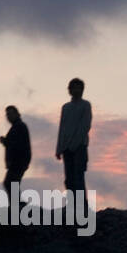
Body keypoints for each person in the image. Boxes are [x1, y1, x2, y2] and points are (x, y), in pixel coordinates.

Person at [55, 78, 92, 220]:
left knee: (78, 176)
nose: (76, 90)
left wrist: (75, 143)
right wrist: (59, 148)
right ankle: (72, 204)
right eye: (74, 88)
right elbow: (62, 128)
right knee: (69, 179)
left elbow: (85, 126)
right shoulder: (65, 107)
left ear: (82, 90)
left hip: (80, 147)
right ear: (69, 90)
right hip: (66, 149)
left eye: (79, 88)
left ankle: (82, 206)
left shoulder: (86, 105)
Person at [0, 105, 31, 209]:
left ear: (17, 114)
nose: (8, 116)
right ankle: (18, 205)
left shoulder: (19, 127)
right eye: (7, 114)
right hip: (18, 161)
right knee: (11, 183)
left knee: (10, 183)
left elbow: (17, 144)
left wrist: (5, 141)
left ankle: (18, 206)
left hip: (19, 161)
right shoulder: (16, 127)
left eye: (11, 114)